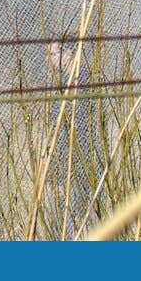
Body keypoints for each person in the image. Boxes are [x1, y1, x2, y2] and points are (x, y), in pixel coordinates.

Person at [48, 39, 100, 237]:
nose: (51, 60)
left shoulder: (81, 85)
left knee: (70, 224)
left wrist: (63, 176)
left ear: (68, 53)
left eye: (54, 54)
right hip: (67, 166)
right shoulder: (63, 85)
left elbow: (75, 135)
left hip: (78, 166)